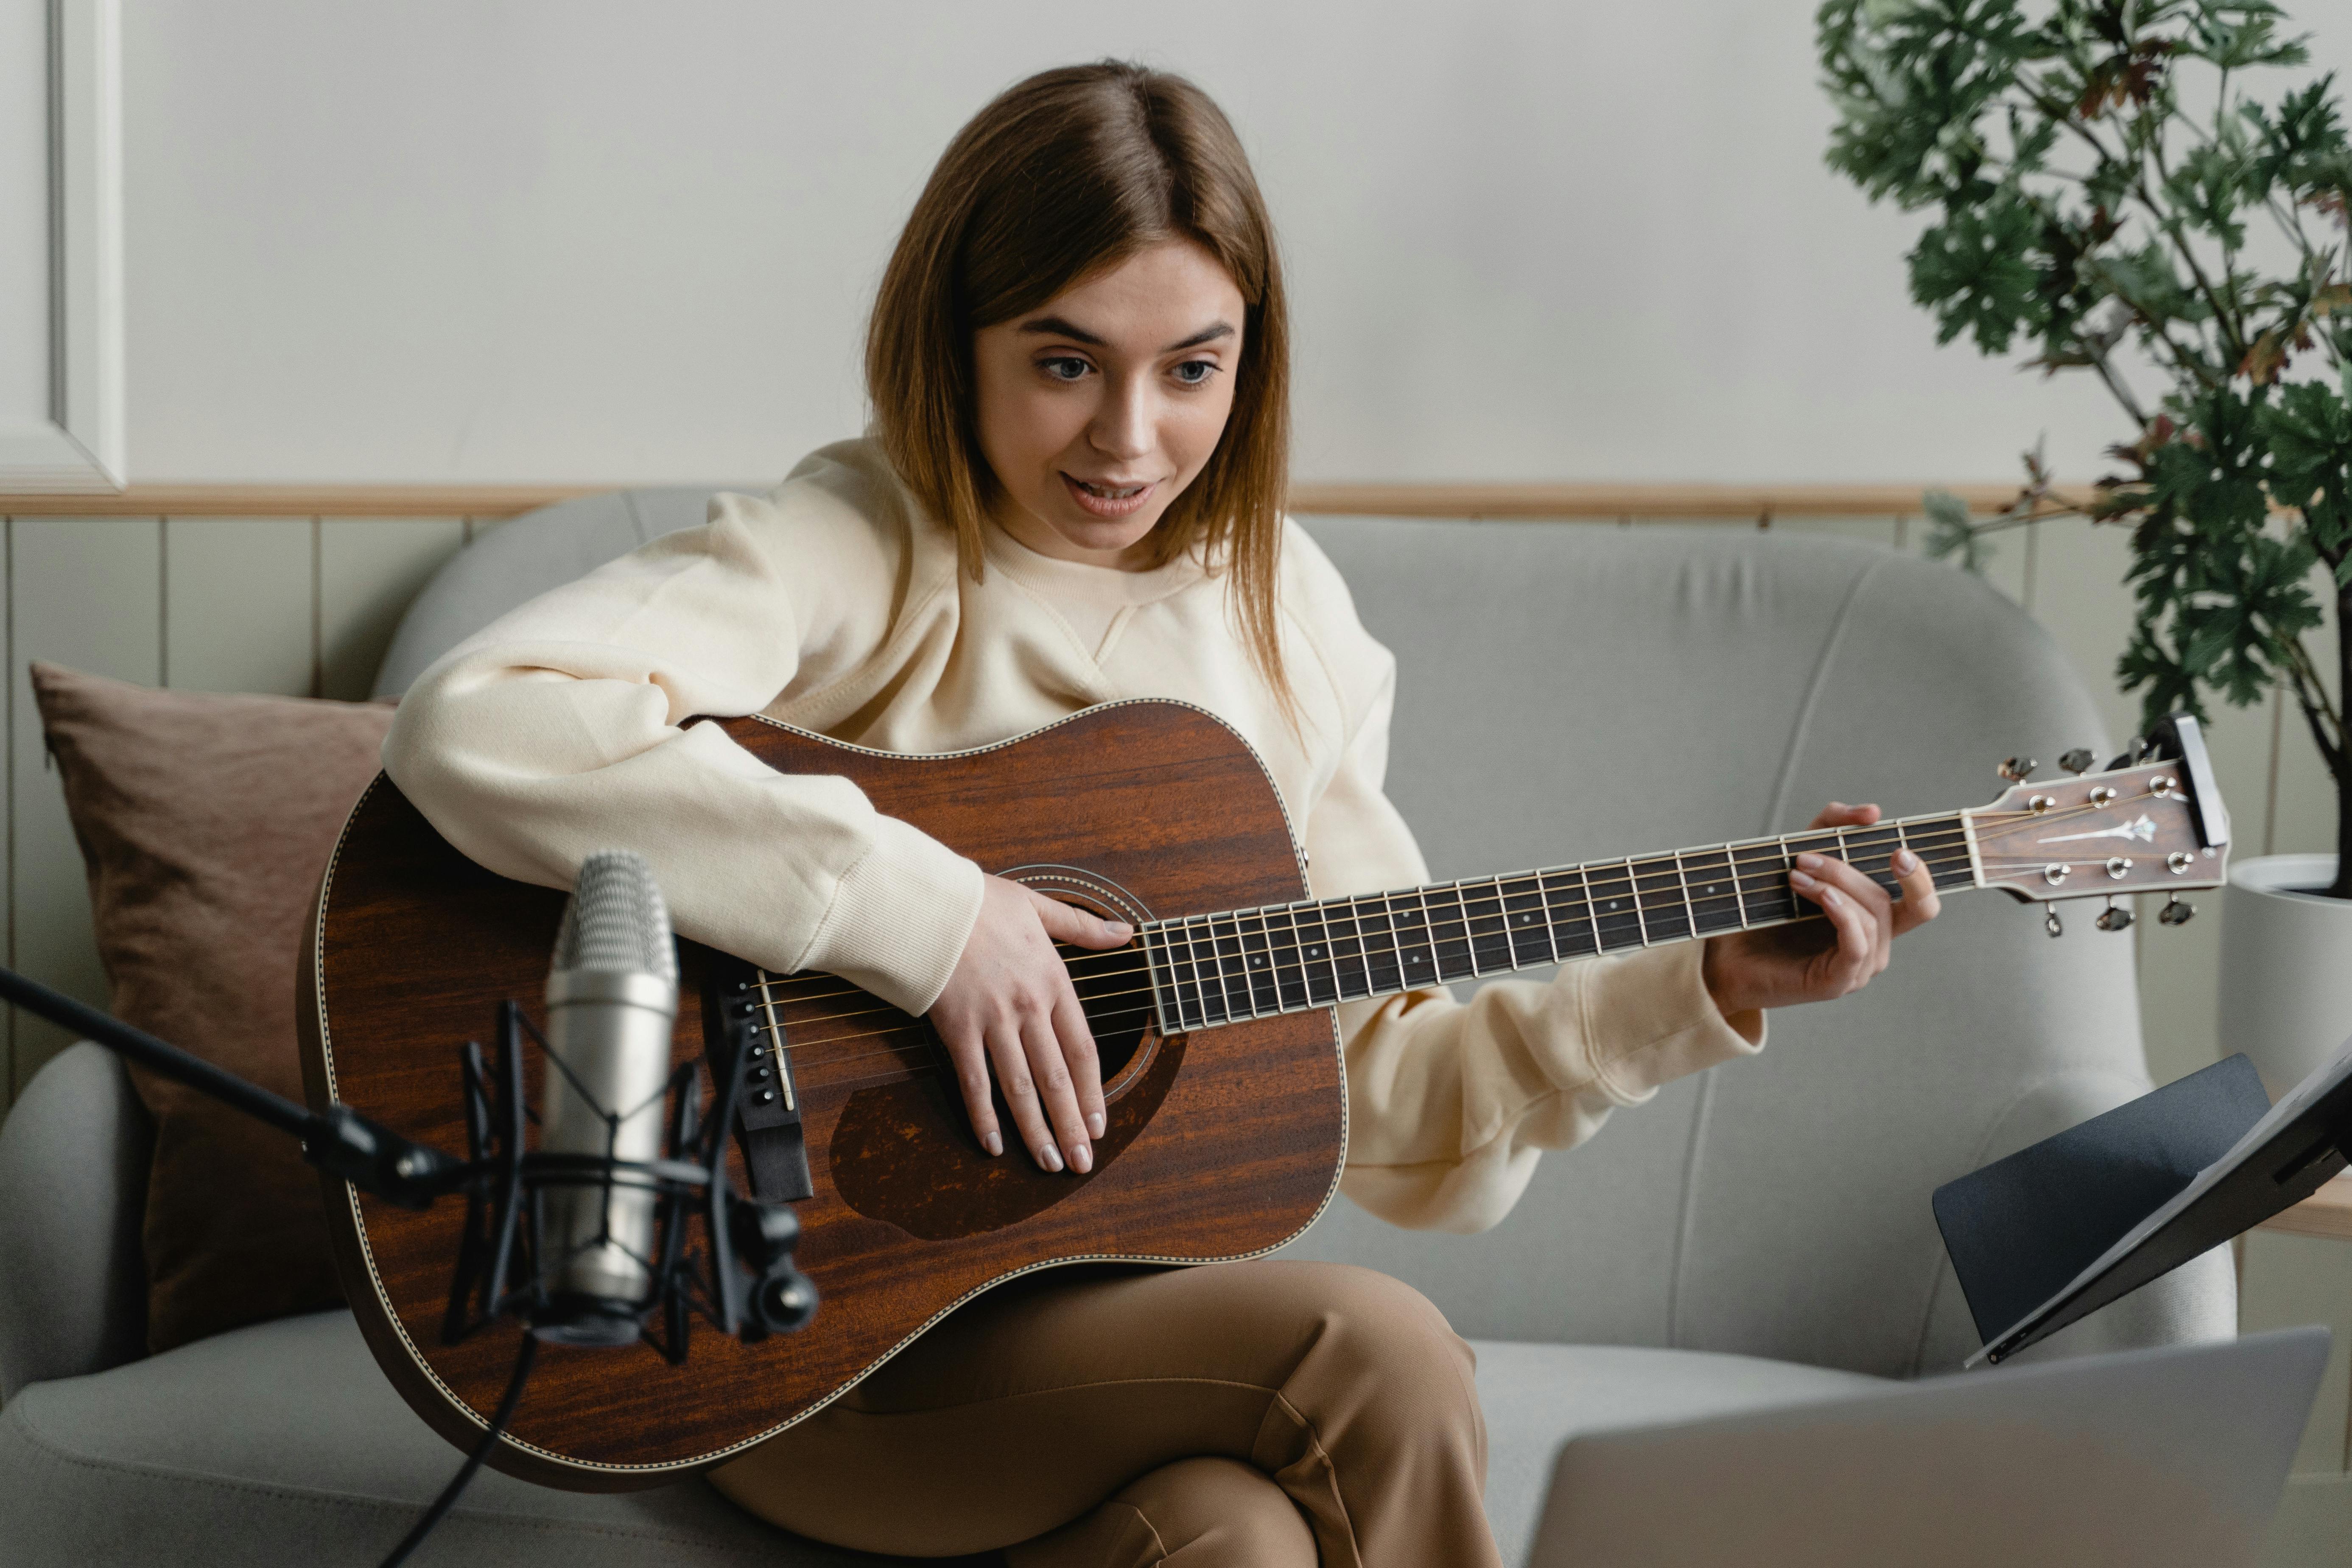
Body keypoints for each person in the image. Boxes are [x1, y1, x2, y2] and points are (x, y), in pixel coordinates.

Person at [384, 59, 1940, 1568]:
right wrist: (928, 922)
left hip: (1084, 1335)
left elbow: (1393, 1109)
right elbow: (486, 713)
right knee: (1373, 1348)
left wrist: (1703, 986)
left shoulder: (1289, 621)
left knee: (1233, 1542)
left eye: (1190, 369)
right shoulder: (870, 543)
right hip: (788, 1330)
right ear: (959, 341)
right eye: (1065, 363)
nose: (1128, 439)